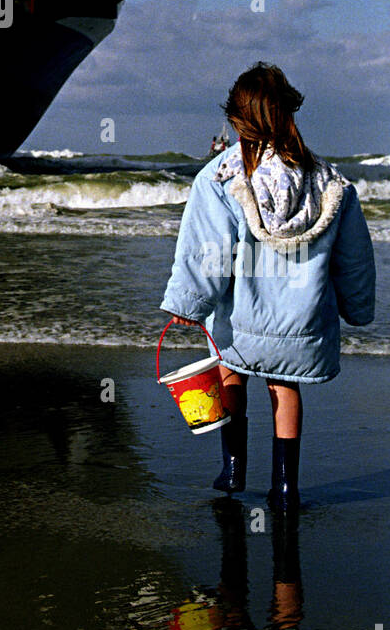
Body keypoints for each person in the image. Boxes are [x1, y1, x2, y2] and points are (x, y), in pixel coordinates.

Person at [160, 62, 375, 512]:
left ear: (236, 119)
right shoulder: (328, 181)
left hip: (241, 315)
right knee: (285, 386)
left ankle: (233, 469)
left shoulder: (221, 177)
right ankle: (285, 487)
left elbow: (208, 249)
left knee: (230, 370)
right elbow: (353, 256)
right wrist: (357, 308)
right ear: (287, 112)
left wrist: (189, 302)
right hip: (300, 319)